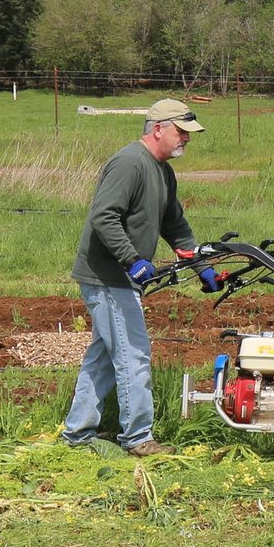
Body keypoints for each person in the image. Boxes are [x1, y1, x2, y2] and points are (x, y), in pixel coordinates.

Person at [61, 98, 217, 455]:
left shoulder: (163, 171)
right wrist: (132, 259)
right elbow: (104, 217)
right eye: (181, 132)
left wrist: (201, 266)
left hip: (120, 277)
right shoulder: (130, 162)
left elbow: (175, 225)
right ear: (158, 129)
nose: (186, 140)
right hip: (107, 276)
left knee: (102, 357)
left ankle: (77, 433)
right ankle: (137, 438)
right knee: (134, 355)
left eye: (188, 134)